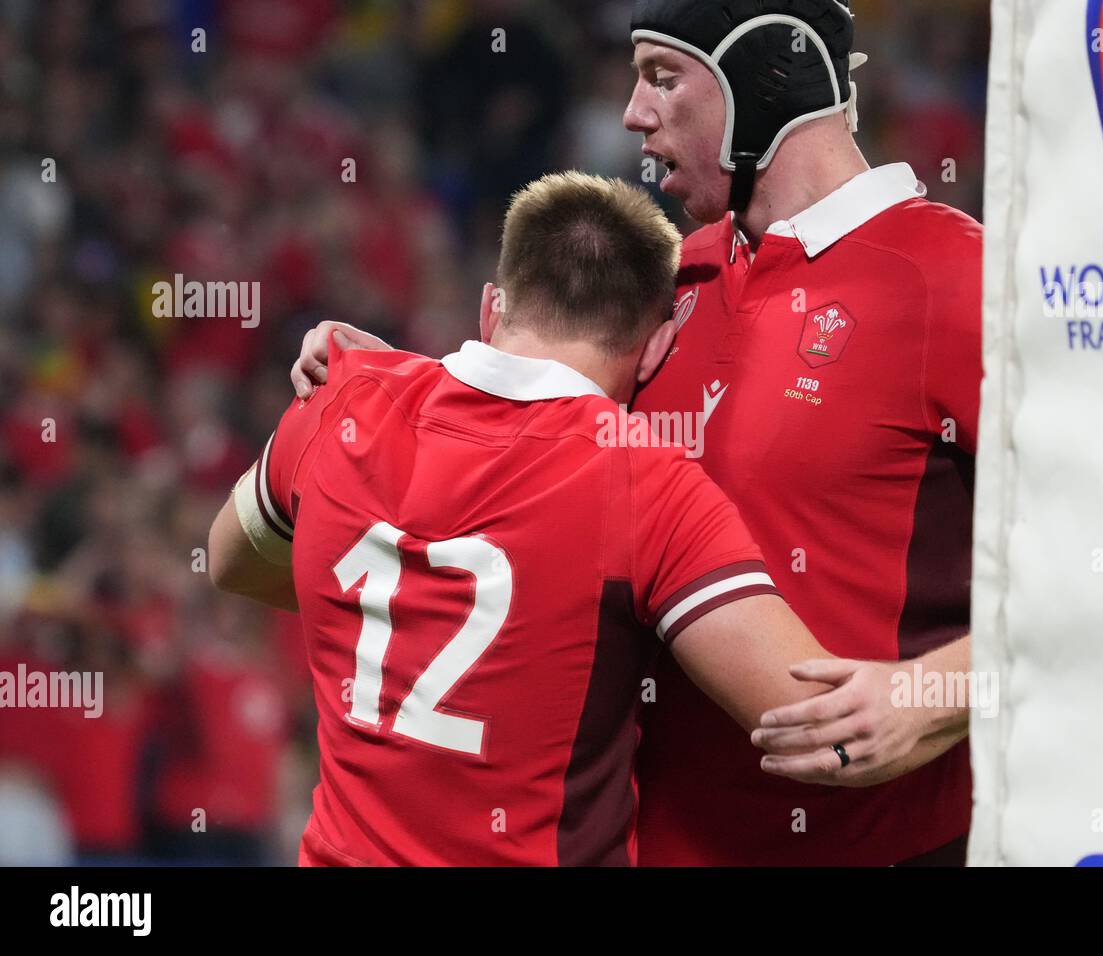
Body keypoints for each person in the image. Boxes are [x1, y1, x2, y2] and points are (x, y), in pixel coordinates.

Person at [291, 0, 983, 866]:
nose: (632, 112)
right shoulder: (669, 283)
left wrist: (945, 687)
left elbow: (1099, 565)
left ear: (769, 79)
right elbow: (526, 440)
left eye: (663, 76)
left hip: (876, 842)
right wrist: (388, 382)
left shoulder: (954, 281)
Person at [209, 173, 951, 866]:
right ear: (658, 345)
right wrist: (992, 670)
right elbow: (826, 734)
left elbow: (228, 561)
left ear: (491, 306)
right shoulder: (645, 482)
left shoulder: (343, 397)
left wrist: (406, 604)